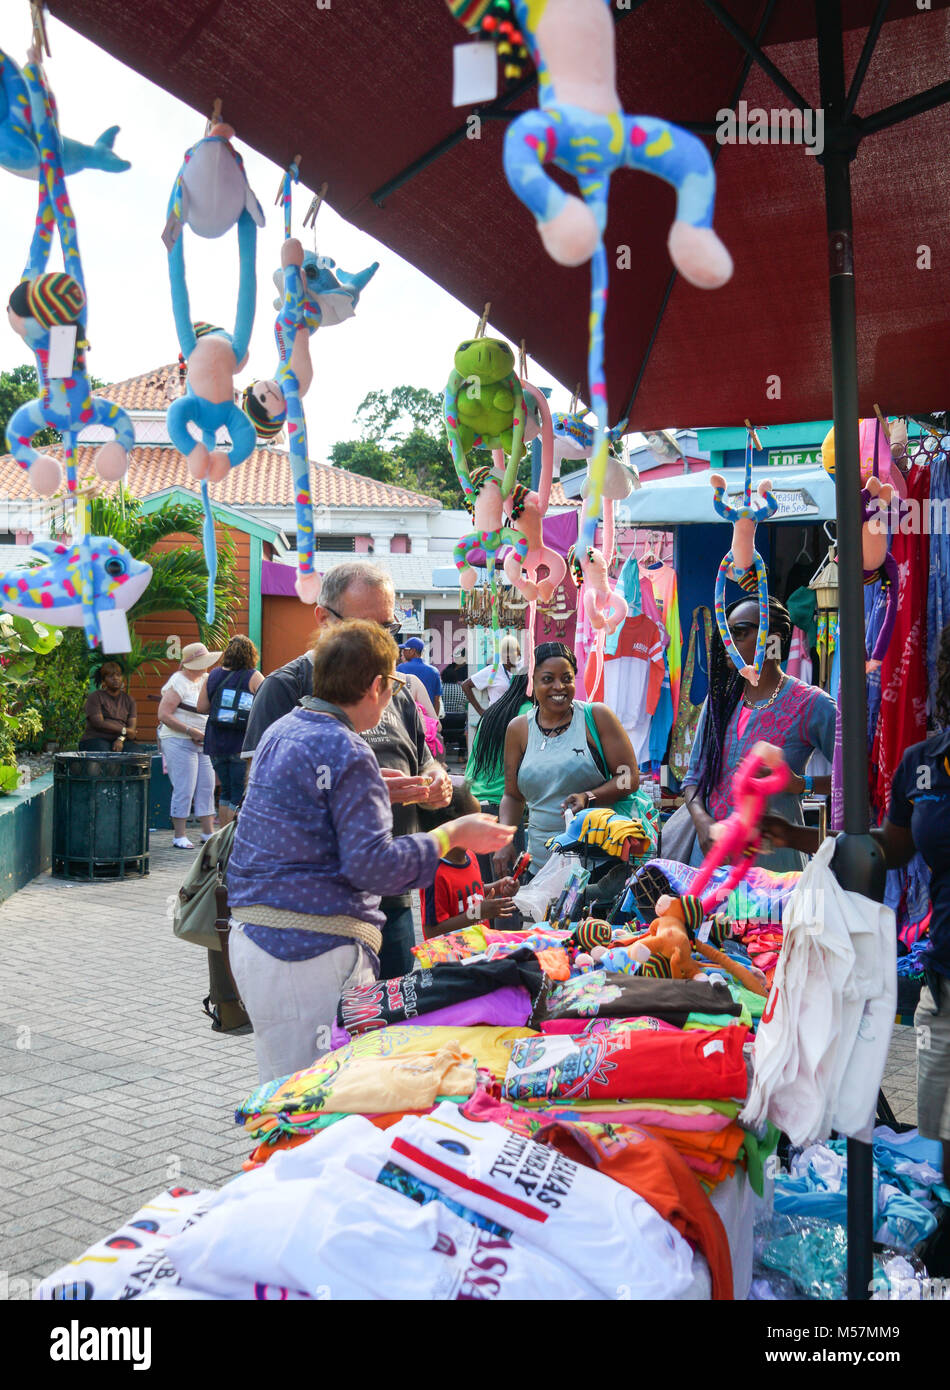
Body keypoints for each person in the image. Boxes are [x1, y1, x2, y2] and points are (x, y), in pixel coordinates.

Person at [226, 621, 515, 1084]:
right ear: (377, 686)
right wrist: (453, 834)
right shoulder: (346, 748)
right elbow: (374, 867)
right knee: (312, 1095)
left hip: (260, 941)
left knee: (288, 1086)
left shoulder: (285, 728)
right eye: (393, 685)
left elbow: (298, 807)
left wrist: (377, 790)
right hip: (307, 951)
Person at [762, 621, 950, 1185]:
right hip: (943, 982)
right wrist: (796, 839)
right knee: (941, 1141)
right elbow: (887, 850)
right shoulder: (923, 763)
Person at [240, 560, 452, 977]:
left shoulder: (396, 685)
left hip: (392, 897)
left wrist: (436, 777)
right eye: (363, 625)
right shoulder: (286, 687)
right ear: (323, 618)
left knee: (396, 1031)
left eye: (386, 628)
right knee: (331, 1035)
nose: (377, 641)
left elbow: (423, 756)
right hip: (319, 911)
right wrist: (363, 792)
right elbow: (259, 803)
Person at [681, 596, 835, 872]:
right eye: (726, 633)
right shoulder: (720, 702)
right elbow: (693, 779)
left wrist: (801, 784)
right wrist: (703, 823)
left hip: (773, 871)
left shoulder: (811, 704)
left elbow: (860, 779)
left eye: (739, 632)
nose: (728, 641)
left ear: (772, 639)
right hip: (709, 864)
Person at [492, 641, 640, 876]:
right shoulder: (519, 729)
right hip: (540, 865)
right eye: (548, 679)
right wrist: (504, 839)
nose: (559, 687)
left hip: (599, 866)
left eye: (567, 678)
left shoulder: (596, 717)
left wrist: (589, 797)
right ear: (533, 681)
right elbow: (512, 795)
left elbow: (629, 778)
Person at [421, 783, 519, 939]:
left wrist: (497, 887)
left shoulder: (470, 856)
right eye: (477, 823)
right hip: (452, 959)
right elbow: (432, 931)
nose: (485, 828)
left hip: (477, 950)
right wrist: (479, 912)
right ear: (454, 826)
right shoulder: (434, 873)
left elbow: (470, 893)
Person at [157, 641, 222, 850]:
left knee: (207, 784)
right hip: (178, 739)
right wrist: (189, 730)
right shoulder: (178, 682)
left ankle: (207, 831)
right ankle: (179, 834)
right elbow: (164, 714)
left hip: (203, 740)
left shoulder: (205, 679)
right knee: (184, 786)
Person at [197, 635, 264, 825]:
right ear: (251, 654)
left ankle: (222, 837)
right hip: (241, 743)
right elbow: (264, 703)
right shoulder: (254, 676)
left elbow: (201, 707)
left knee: (225, 790)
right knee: (239, 791)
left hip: (216, 741)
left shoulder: (213, 675)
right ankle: (232, 840)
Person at [79, 661, 140, 753]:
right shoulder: (96, 697)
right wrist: (124, 730)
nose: (115, 679)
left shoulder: (129, 700)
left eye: (118, 675)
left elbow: (131, 730)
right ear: (104, 680)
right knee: (106, 756)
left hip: (121, 739)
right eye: (111, 676)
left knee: (137, 755)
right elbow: (99, 723)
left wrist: (120, 739)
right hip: (96, 738)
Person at [462, 635, 522, 716]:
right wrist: (480, 710)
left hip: (517, 718)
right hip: (497, 719)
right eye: (504, 651)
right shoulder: (493, 670)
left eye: (511, 651)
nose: (507, 655)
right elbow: (465, 685)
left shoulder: (522, 671)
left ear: (518, 653)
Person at [398, 636, 442, 716]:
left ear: (412, 651)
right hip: (426, 718)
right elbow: (437, 700)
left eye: (405, 650)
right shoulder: (434, 671)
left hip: (406, 717)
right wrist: (434, 721)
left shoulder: (401, 668)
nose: (403, 652)